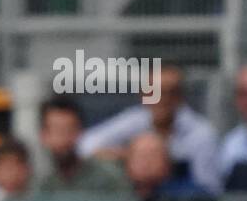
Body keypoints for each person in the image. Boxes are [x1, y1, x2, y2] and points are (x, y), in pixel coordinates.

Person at [78, 63, 221, 193]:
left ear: (180, 97)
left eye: (169, 92)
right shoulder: (134, 120)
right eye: (154, 92)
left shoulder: (202, 134)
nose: (162, 99)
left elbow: (209, 189)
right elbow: (83, 146)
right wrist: (130, 156)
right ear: (144, 94)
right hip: (137, 200)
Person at [31, 97, 129, 198]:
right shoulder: (41, 184)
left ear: (80, 132)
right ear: (43, 136)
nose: (63, 139)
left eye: (69, 130)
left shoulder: (108, 179)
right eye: (57, 130)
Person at [0, 136, 31, 201]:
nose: (12, 174)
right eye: (7, 168)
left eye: (17, 166)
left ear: (27, 170)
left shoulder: (37, 199)